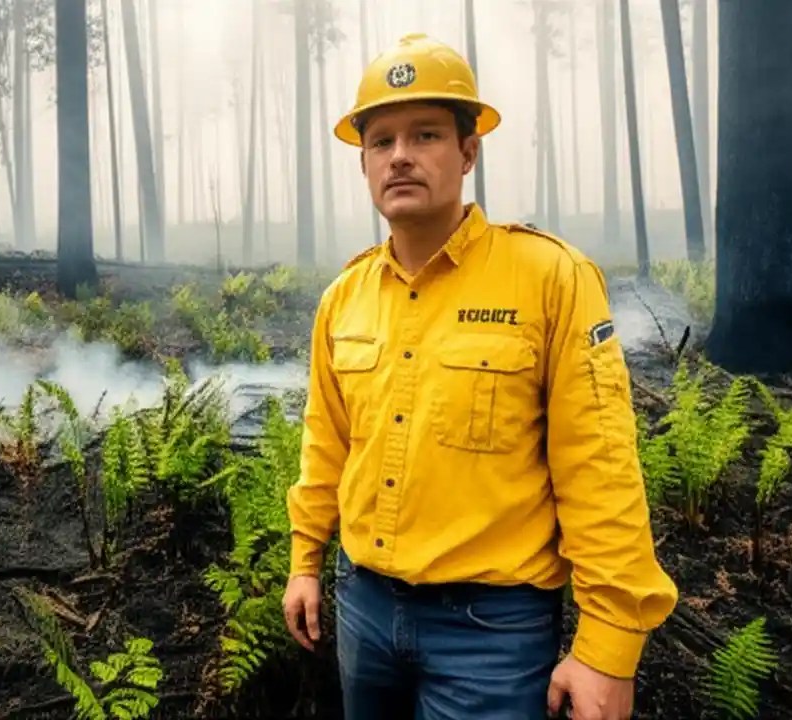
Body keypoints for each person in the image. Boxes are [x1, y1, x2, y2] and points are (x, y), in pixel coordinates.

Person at [282, 33, 679, 720]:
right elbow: (327, 444)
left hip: (492, 631)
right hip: (364, 608)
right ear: (364, 163)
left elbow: (600, 466)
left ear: (469, 152)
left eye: (426, 134)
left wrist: (609, 644)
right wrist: (304, 561)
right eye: (381, 141)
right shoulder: (344, 299)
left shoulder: (549, 278)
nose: (400, 155)